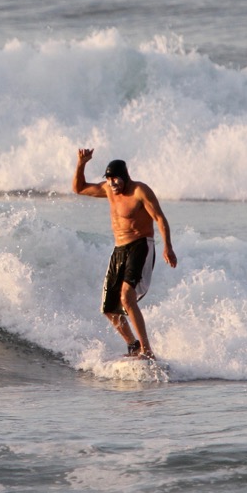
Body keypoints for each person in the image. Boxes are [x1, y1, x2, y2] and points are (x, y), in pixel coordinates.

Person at [73, 148, 177, 359]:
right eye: (109, 179)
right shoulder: (109, 190)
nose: (112, 183)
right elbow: (79, 188)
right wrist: (81, 163)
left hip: (141, 245)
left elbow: (159, 218)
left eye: (116, 179)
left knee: (127, 297)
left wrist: (168, 247)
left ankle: (147, 351)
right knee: (109, 309)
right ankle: (133, 345)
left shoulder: (140, 191)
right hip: (119, 249)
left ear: (125, 176)